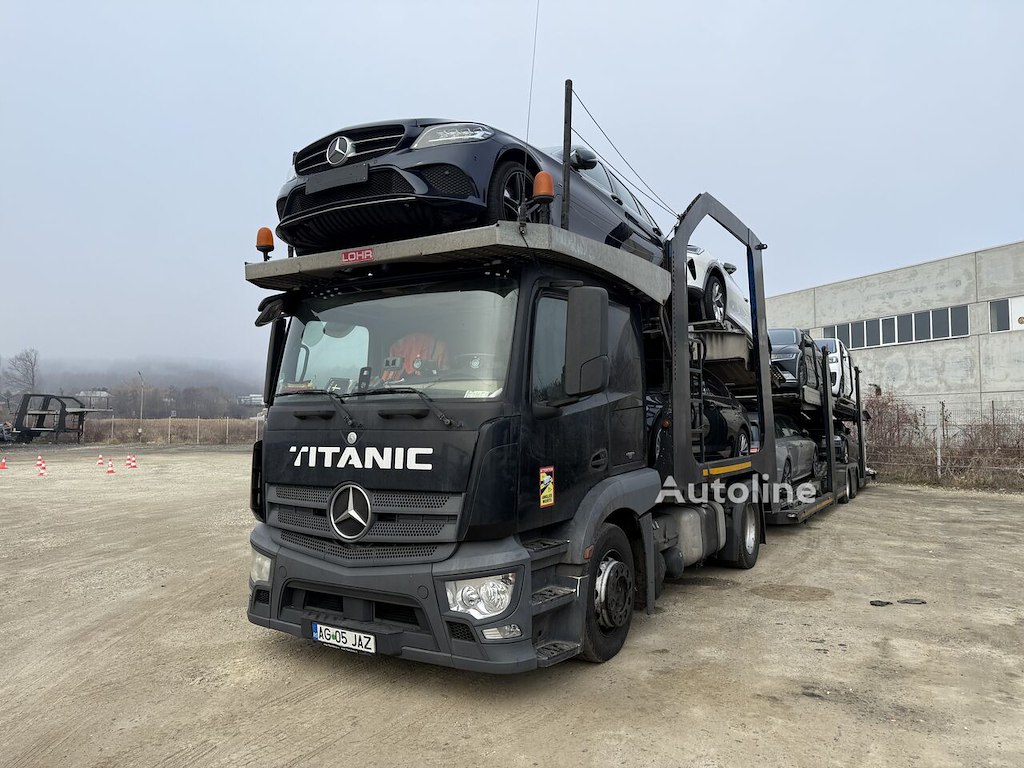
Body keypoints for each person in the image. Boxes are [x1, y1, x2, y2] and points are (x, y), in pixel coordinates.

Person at [380, 333, 448, 382]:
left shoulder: (438, 348)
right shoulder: (392, 364)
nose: (399, 348)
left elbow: (445, 374)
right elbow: (384, 384)